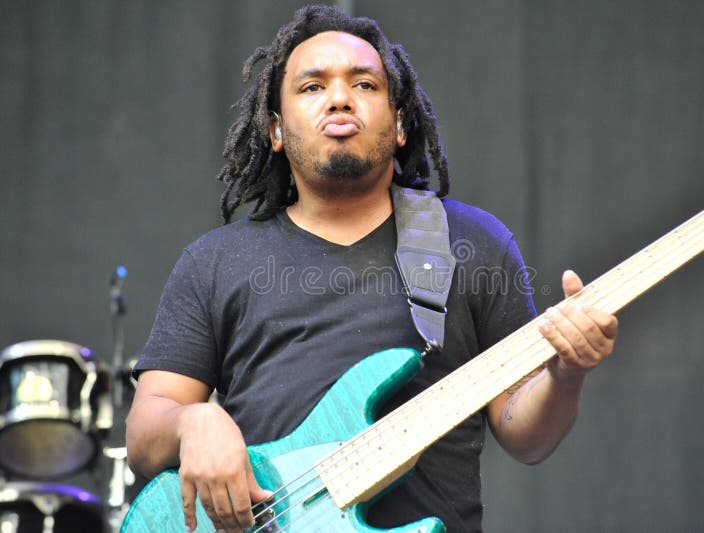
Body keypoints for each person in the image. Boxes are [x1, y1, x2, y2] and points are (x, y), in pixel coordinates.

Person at [126, 5, 618, 532]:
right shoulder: (215, 262)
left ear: (400, 123)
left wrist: (566, 375)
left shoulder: (474, 244)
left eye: (364, 83)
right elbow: (144, 435)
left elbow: (527, 436)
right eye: (312, 87)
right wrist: (195, 421)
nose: (340, 97)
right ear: (274, 129)